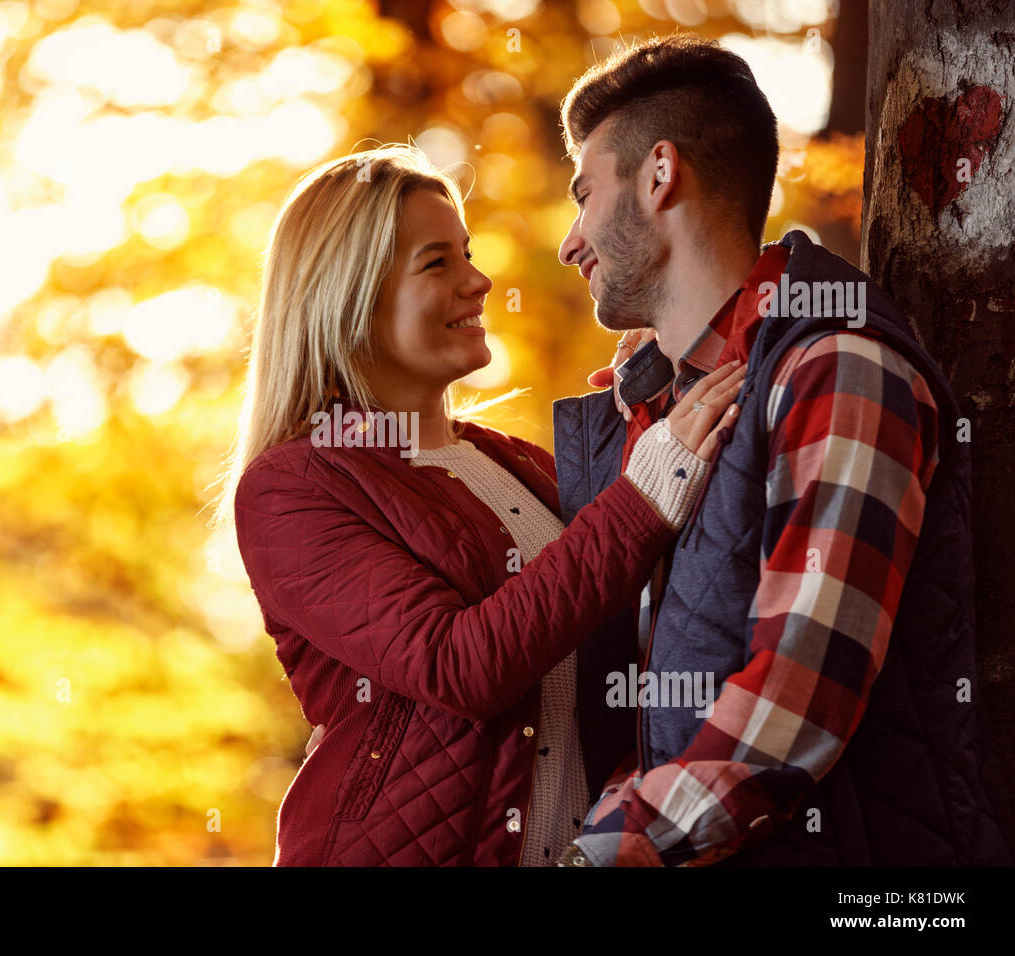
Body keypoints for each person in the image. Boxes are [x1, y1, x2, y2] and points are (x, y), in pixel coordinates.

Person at [552, 34, 1010, 866]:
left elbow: (794, 704)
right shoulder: (659, 414)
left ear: (660, 174)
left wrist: (605, 848)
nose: (569, 241)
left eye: (584, 194)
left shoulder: (838, 370)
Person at [220, 144, 745, 865]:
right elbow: (459, 666)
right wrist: (644, 493)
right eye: (438, 264)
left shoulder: (518, 467)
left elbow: (629, 597)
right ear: (348, 296)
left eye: (467, 254)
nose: (480, 280)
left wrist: (658, 387)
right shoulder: (295, 489)